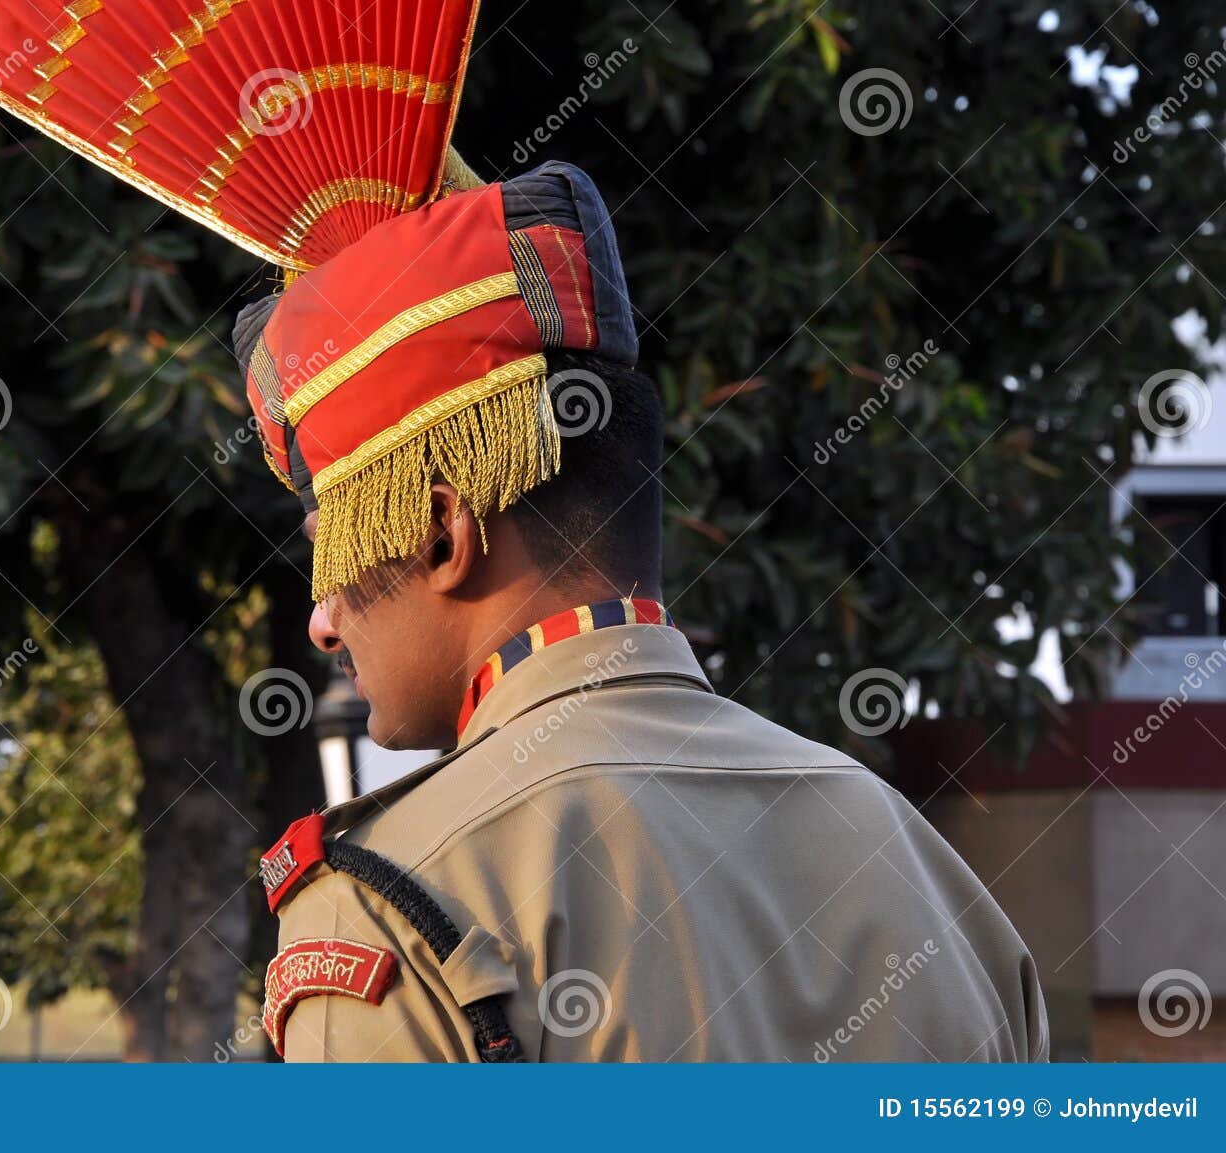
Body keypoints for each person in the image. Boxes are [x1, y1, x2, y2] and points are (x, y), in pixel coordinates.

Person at [240, 164, 1051, 1062]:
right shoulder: (921, 864)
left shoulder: (390, 901)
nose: (322, 618)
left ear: (441, 534)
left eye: (334, 549)